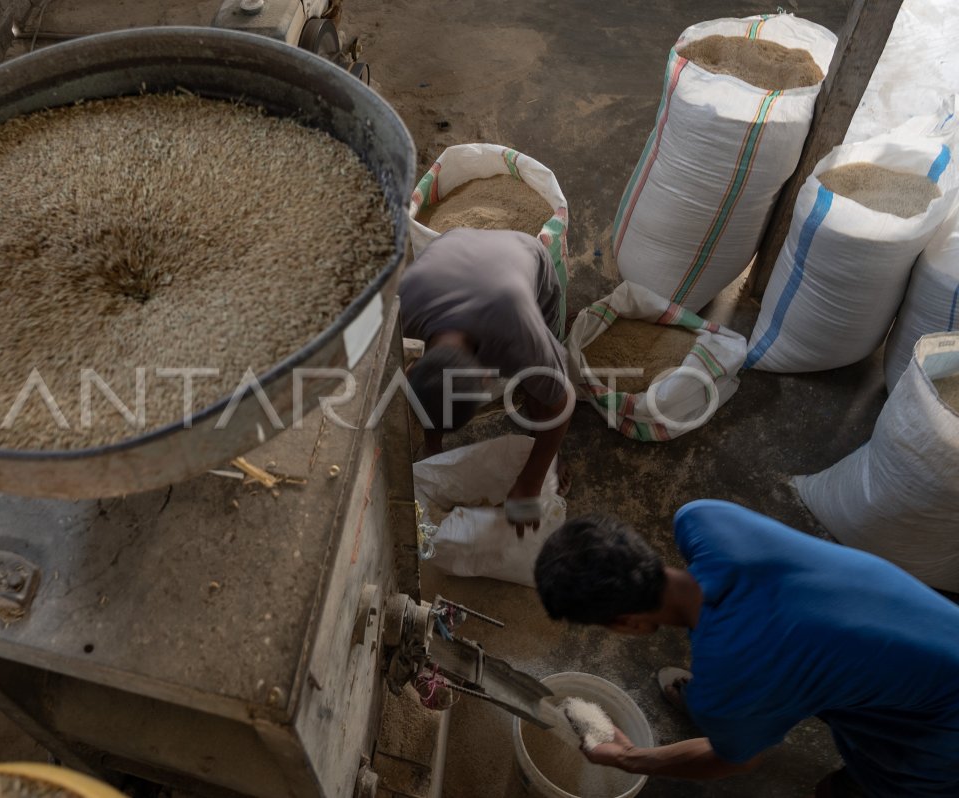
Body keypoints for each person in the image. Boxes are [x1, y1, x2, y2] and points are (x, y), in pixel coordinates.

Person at [533, 499, 959, 797]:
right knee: (775, 680)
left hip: (940, 733)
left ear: (626, 622)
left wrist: (630, 759)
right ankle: (735, 710)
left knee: (853, 785)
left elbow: (735, 762)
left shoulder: (739, 669)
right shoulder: (702, 519)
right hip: (934, 636)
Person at [399, 228, 573, 536]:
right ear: (412, 366)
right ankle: (433, 447)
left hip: (524, 256)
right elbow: (427, 389)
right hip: (453, 248)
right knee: (435, 394)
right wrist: (432, 447)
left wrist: (531, 482)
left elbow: (563, 402)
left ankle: (549, 453)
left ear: (486, 377)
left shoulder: (517, 331)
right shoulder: (404, 310)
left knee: (541, 390)